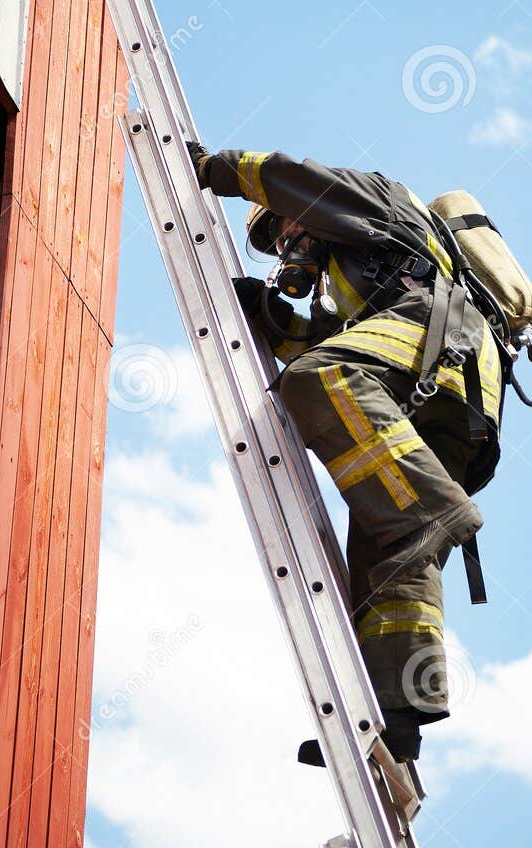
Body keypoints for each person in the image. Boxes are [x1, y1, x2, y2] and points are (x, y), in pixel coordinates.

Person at [187, 143, 503, 765]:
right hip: (448, 394)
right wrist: (270, 316)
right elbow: (341, 341)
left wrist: (212, 169)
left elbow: (289, 178)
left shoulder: (365, 198)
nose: (287, 245)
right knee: (388, 548)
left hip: (445, 338)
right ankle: (398, 719)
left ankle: (435, 513)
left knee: (315, 380)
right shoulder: (358, 273)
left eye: (282, 227)